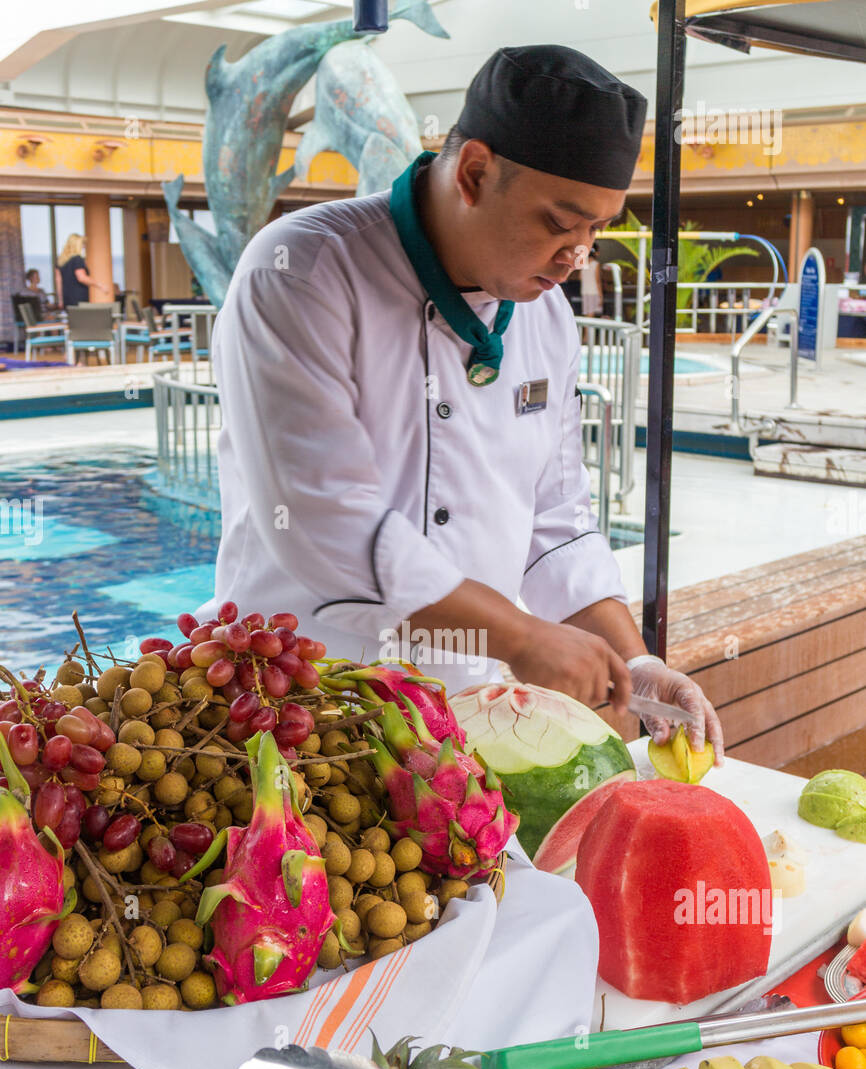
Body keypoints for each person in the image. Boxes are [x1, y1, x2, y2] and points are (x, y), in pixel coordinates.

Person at [203, 44, 723, 761]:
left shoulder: (548, 317)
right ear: (474, 172)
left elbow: (556, 520)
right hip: (300, 706)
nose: (578, 255)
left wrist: (634, 664)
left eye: (596, 229)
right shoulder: (305, 271)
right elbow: (326, 522)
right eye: (560, 223)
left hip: (467, 720)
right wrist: (520, 637)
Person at [55, 235, 110, 310]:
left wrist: (60, 300)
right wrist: (100, 285)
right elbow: (82, 278)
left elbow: (58, 282)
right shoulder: (77, 259)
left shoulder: (60, 261)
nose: (84, 247)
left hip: (67, 300)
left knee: (73, 321)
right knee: (82, 320)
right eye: (83, 244)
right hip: (78, 299)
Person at [579, 244, 604, 317]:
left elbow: (580, 277)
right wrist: (601, 296)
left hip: (584, 291)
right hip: (593, 292)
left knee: (587, 316)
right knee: (591, 317)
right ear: (595, 253)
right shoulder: (596, 264)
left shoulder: (584, 263)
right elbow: (598, 281)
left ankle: (586, 329)